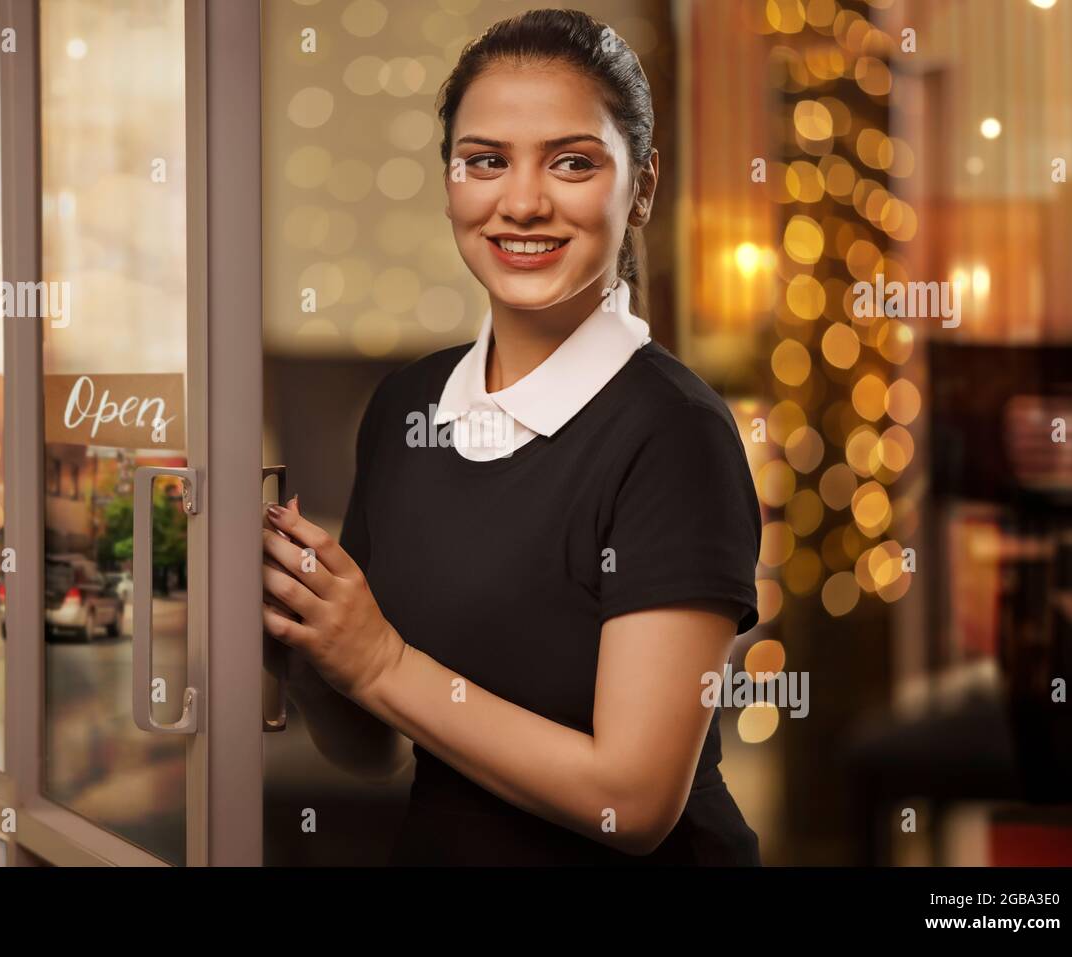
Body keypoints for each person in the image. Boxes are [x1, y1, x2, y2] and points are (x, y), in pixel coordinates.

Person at [262, 8, 763, 865]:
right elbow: (374, 749)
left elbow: (632, 801)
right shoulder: (407, 407)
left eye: (572, 162)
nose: (522, 202)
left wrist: (380, 660)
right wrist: (308, 643)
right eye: (486, 161)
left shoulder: (676, 437)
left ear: (640, 187)